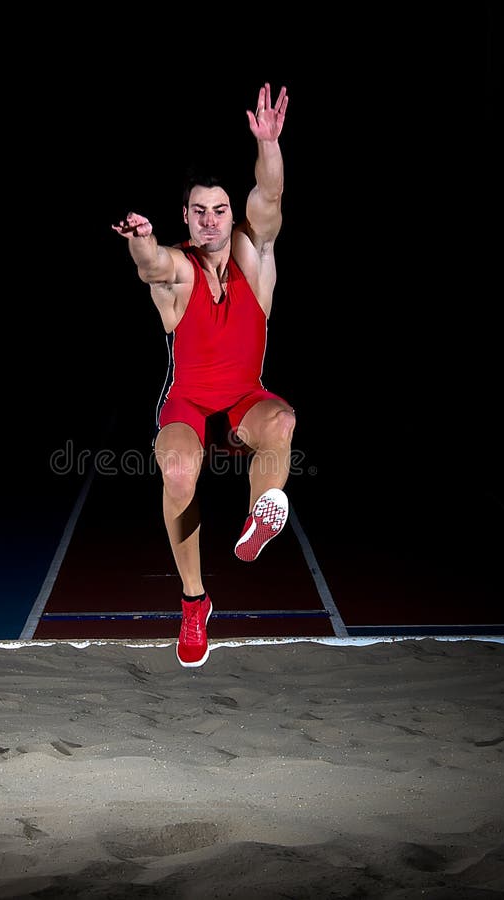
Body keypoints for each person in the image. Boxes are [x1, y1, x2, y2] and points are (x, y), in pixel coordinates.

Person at [112, 82, 295, 668]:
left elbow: (270, 193)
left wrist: (268, 144)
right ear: (185, 215)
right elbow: (151, 266)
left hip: (244, 402)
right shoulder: (180, 270)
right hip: (188, 406)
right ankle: (195, 602)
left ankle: (261, 511)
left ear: (228, 212)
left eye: (220, 209)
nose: (212, 220)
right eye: (200, 211)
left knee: (283, 419)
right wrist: (141, 243)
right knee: (178, 470)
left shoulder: (254, 253)